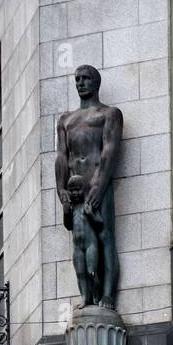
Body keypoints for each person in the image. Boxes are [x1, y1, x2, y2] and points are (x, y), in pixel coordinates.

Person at [55, 65, 123, 309]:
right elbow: (62, 157)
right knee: (81, 244)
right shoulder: (66, 120)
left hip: (97, 186)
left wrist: (98, 186)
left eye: (85, 79)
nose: (80, 83)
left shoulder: (109, 114)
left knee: (105, 239)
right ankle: (87, 296)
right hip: (75, 189)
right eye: (77, 79)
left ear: (96, 82)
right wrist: (61, 190)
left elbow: (110, 151)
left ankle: (108, 295)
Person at [63, 174, 102, 309]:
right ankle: (85, 298)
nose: (74, 193)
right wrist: (66, 212)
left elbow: (99, 222)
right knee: (80, 273)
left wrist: (91, 213)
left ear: (84, 190)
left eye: (77, 190)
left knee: (91, 271)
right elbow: (68, 226)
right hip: (77, 247)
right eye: (71, 190)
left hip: (91, 244)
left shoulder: (87, 205)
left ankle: (96, 296)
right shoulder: (72, 209)